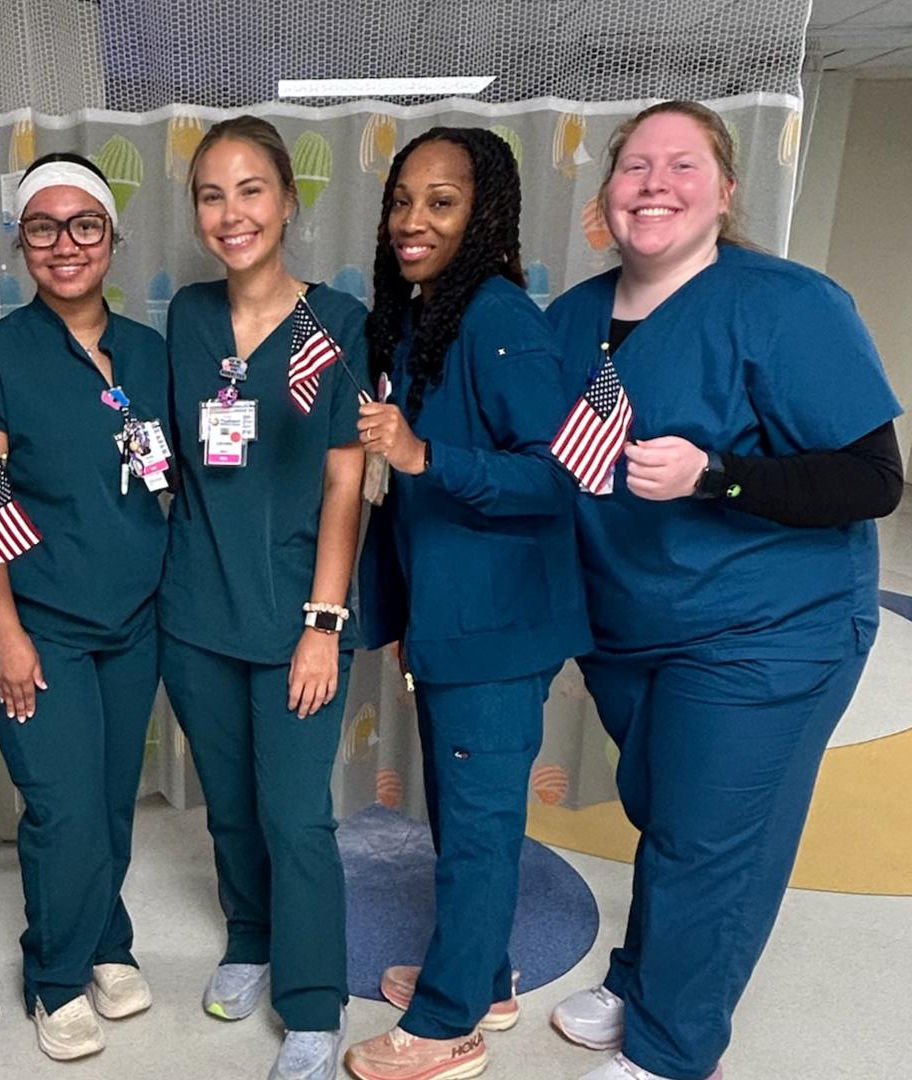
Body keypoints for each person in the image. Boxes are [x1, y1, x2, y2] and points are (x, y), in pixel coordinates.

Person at [543, 101, 904, 1080]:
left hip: (767, 629)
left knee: (711, 843)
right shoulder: (572, 318)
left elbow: (874, 480)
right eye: (635, 165)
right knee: (668, 815)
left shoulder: (789, 305)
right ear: (608, 190)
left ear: (727, 192)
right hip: (627, 624)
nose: (654, 182)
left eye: (682, 164)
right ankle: (641, 982)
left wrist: (717, 475)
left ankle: (669, 1050)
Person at [341, 127, 593, 1080]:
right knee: (460, 818)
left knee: (478, 834)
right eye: (402, 200)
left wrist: (424, 456)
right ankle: (482, 974)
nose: (412, 221)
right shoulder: (421, 317)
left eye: (440, 203)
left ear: (483, 213)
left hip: (497, 629)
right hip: (452, 622)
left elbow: (558, 476)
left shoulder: (497, 317)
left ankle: (449, 1026)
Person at [0, 152, 172, 1063]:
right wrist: (4, 632)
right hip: (39, 627)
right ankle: (55, 975)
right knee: (63, 809)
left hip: (134, 619)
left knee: (111, 802)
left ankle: (106, 939)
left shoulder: (146, 354)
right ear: (20, 243)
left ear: (111, 237)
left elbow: (168, 473)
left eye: (84, 226)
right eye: (43, 227)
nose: (64, 245)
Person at [159, 115, 367, 1080]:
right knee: (232, 808)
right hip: (197, 611)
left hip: (295, 612)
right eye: (212, 193)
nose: (231, 212)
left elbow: (341, 483)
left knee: (296, 815)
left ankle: (314, 999)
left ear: (288, 200)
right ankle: (249, 938)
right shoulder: (188, 320)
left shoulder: (338, 324)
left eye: (250, 190)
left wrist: (322, 625)